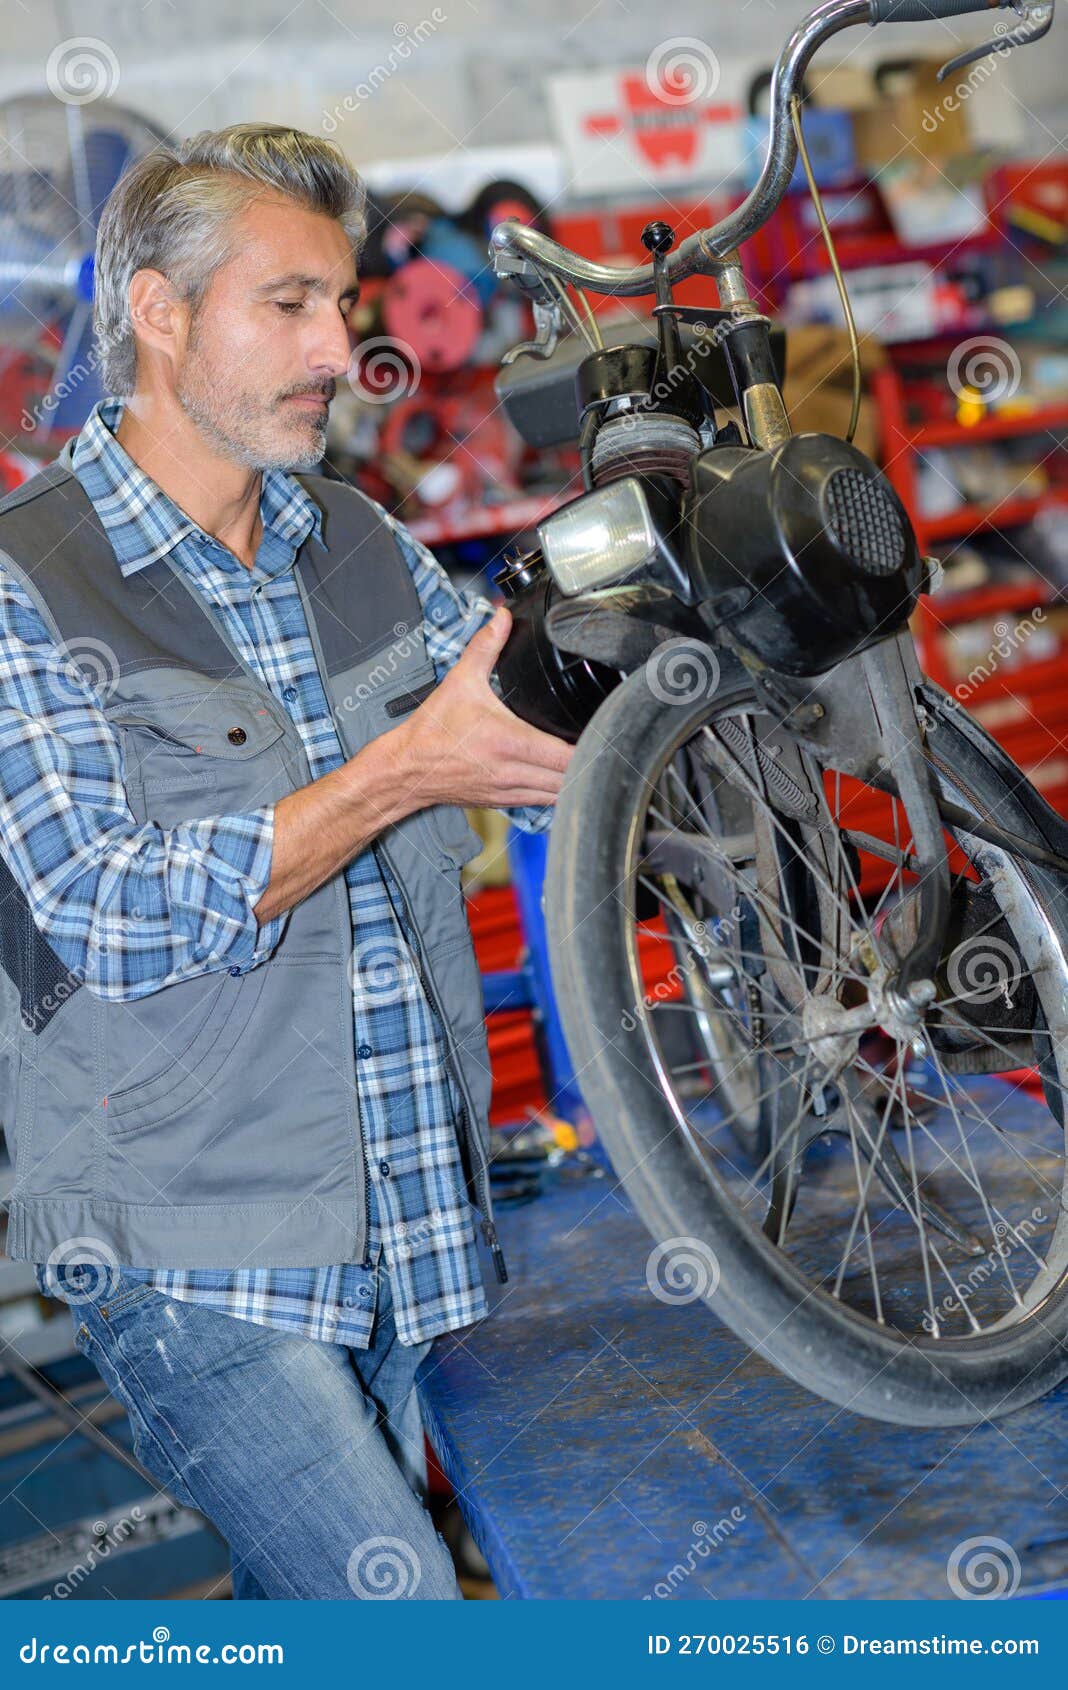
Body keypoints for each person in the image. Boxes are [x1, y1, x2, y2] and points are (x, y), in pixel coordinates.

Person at [0, 124, 572, 1599]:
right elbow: (103, 909)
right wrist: (403, 772)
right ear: (160, 313)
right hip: (194, 1249)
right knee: (402, 1608)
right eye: (292, 304)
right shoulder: (27, 583)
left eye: (345, 301)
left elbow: (527, 727)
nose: (343, 347)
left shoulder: (358, 540)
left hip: (399, 1215)